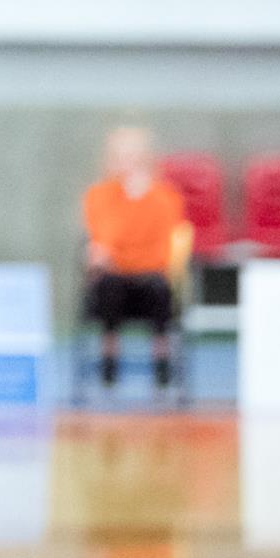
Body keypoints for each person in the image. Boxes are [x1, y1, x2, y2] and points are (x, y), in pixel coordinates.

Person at [81, 126, 188, 389]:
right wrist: (128, 203)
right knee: (108, 285)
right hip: (115, 281)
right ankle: (109, 358)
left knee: (159, 287)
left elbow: (164, 251)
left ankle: (162, 359)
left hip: (151, 280)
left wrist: (123, 255)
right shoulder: (98, 196)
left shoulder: (166, 198)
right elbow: (103, 243)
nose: (127, 164)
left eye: (134, 156)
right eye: (121, 156)